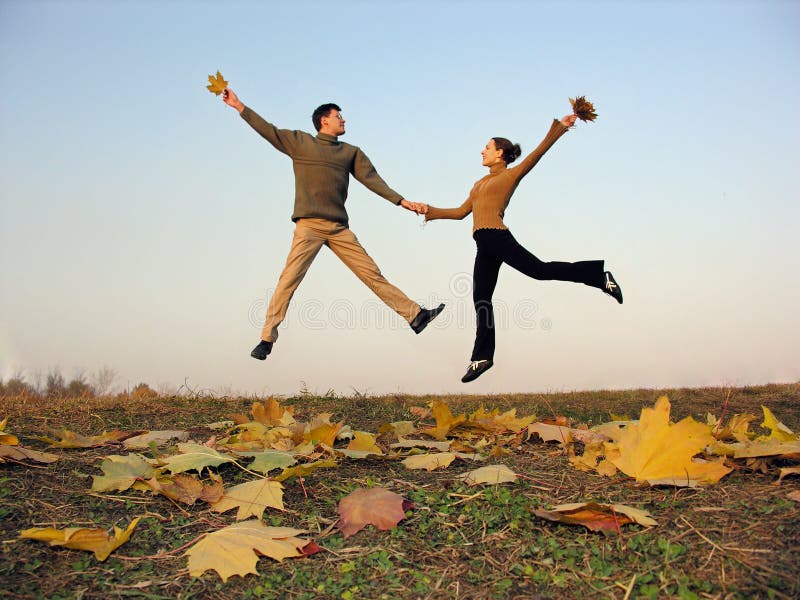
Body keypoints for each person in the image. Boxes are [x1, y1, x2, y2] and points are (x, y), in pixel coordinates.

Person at [221, 88, 445, 360]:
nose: (344, 120)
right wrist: (239, 106)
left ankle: (415, 316)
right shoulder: (300, 143)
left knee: (372, 274)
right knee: (288, 281)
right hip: (309, 226)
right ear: (324, 121)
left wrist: (402, 201)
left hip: (339, 229)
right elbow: (268, 131)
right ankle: (266, 339)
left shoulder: (350, 153)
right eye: (339, 116)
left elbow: (374, 181)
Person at [420, 112, 622, 383]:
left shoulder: (510, 175)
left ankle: (598, 276)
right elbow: (460, 213)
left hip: (498, 237)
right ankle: (482, 357)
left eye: (487, 147)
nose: (482, 151)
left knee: (540, 271)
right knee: (481, 298)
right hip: (484, 243)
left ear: (500, 153)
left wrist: (560, 128)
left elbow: (535, 155)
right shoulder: (478, 184)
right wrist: (429, 211)